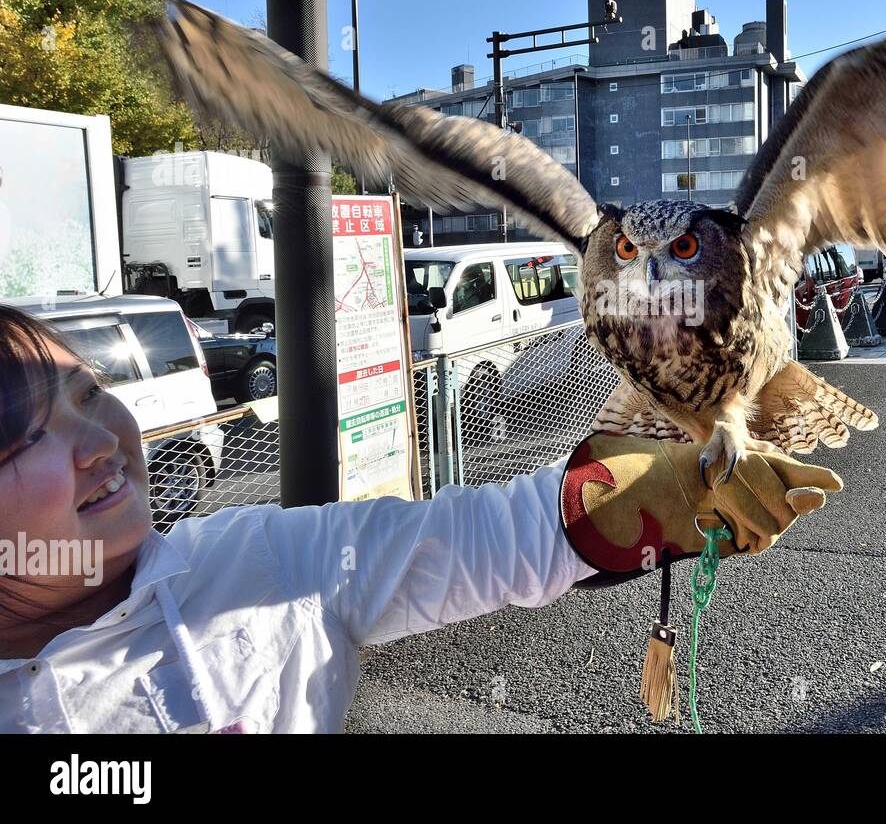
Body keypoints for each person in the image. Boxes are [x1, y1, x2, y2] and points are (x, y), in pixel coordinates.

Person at [0, 305, 840, 733]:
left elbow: (473, 539)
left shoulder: (256, 562)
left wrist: (659, 492)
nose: (98, 439)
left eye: (90, 392)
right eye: (24, 437)